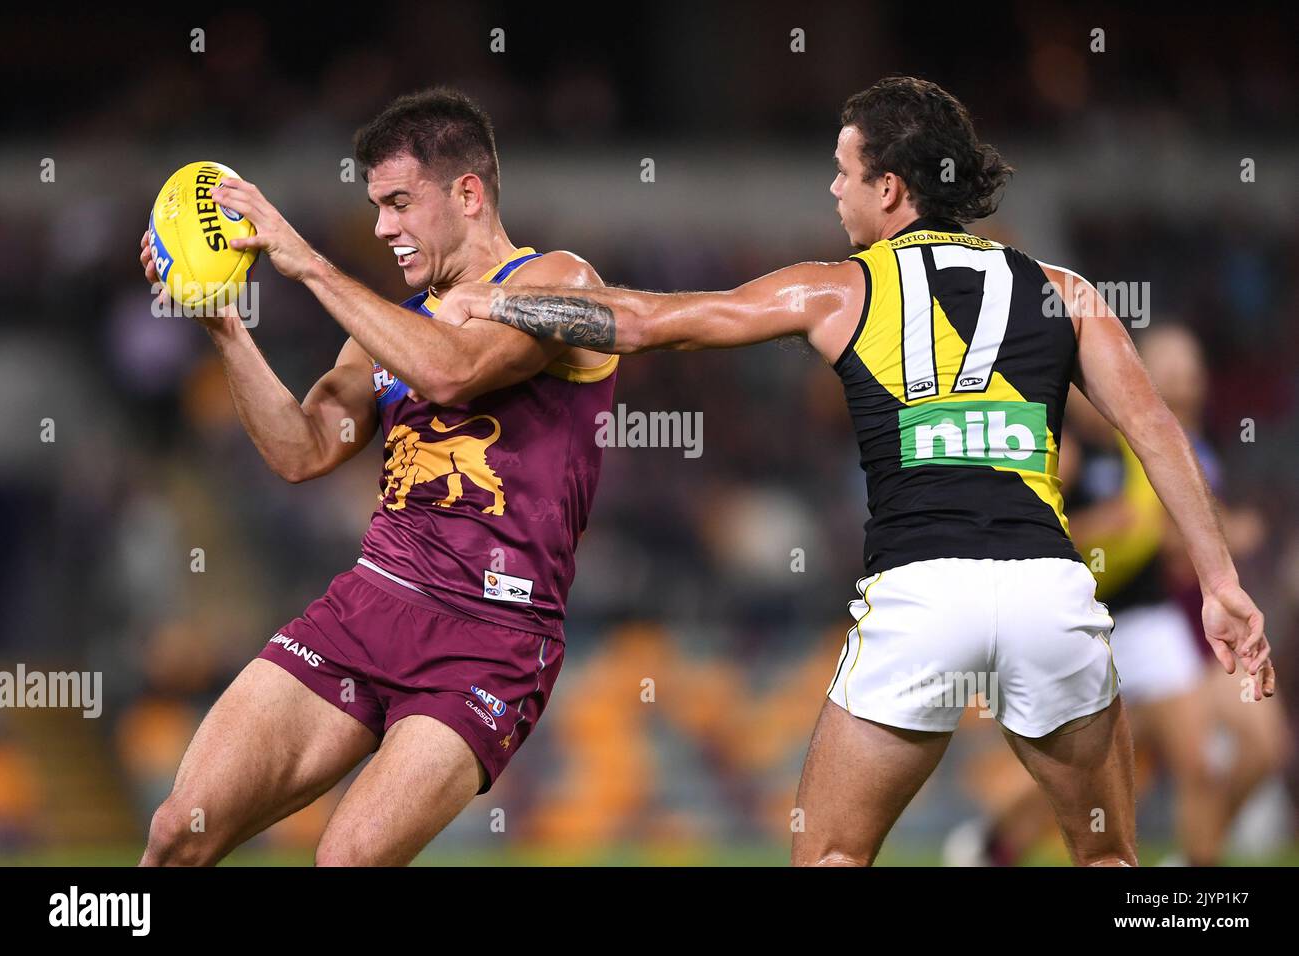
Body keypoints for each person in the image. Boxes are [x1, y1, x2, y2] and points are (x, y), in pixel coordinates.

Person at [431, 76, 1277, 866]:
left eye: (844, 173)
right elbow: (1160, 434)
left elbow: (652, 322)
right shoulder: (1066, 292)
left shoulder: (834, 290)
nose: (833, 191)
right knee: (1111, 860)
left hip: (921, 601)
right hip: (1047, 596)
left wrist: (502, 300)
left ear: (892, 189)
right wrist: (1221, 582)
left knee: (831, 854)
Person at [136, 88, 617, 866]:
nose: (382, 227)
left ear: (467, 194)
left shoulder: (560, 282)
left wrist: (308, 264)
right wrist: (225, 326)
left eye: (398, 203)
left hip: (491, 637)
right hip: (369, 603)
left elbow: (453, 372)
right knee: (176, 832)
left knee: (346, 862)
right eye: (375, 205)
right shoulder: (388, 327)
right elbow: (302, 450)